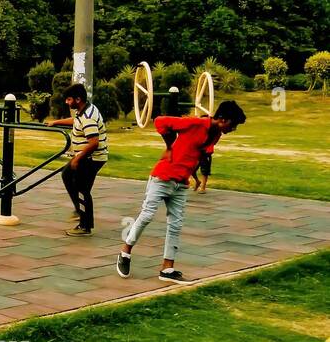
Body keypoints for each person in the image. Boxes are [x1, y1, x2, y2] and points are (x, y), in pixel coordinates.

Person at [117, 100, 247, 283]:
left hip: (181, 183)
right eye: (233, 125)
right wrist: (169, 146)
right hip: (162, 177)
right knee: (147, 216)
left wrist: (193, 178)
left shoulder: (216, 134)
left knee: (175, 224)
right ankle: (125, 252)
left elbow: (195, 154)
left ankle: (167, 269)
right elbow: (160, 121)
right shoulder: (195, 123)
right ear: (223, 119)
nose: (233, 129)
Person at [47, 83, 107, 236]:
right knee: (67, 175)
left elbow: (94, 143)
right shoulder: (84, 110)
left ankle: (85, 226)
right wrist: (56, 122)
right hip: (86, 156)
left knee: (82, 189)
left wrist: (77, 158)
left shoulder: (88, 117)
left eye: (69, 99)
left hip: (92, 157)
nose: (67, 103)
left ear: (78, 99)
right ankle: (79, 209)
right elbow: (75, 121)